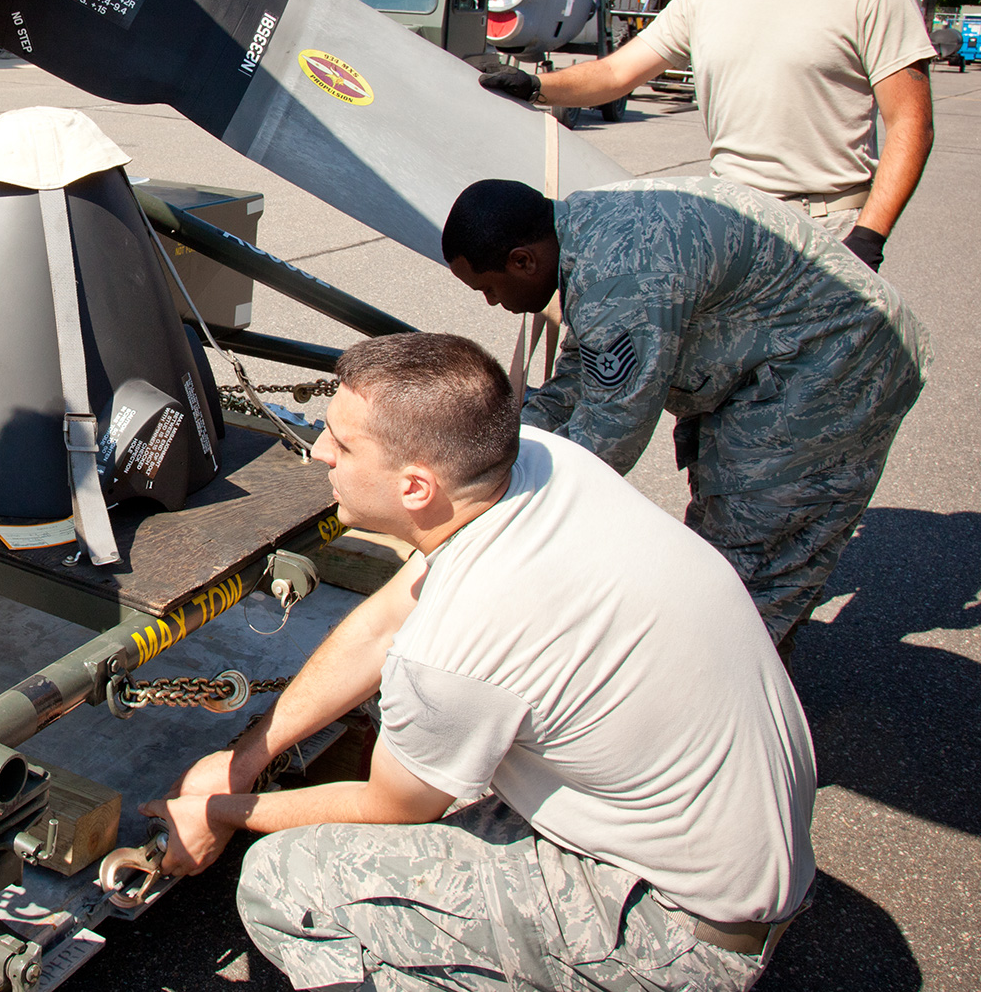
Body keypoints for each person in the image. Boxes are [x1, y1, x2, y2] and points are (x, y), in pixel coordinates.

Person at [142, 333, 815, 991]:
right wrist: (249, 756)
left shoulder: (458, 645)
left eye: (343, 445)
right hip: (731, 850)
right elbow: (386, 622)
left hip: (675, 932)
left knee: (286, 881)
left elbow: (392, 806)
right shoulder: (541, 464)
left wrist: (224, 811)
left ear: (415, 487)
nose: (319, 452)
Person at [441, 176, 930, 646]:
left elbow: (606, 440)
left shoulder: (620, 276)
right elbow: (583, 373)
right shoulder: (583, 228)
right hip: (783, 357)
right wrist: (491, 446)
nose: (491, 302)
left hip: (836, 366)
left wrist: (484, 503)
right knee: (720, 551)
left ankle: (736, 688)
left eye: (488, 288)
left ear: (523, 261)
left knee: (747, 570)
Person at [482, 0, 936, 273]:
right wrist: (537, 85)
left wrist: (868, 237)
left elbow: (910, 123)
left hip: (824, 228)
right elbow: (617, 74)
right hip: (727, 221)